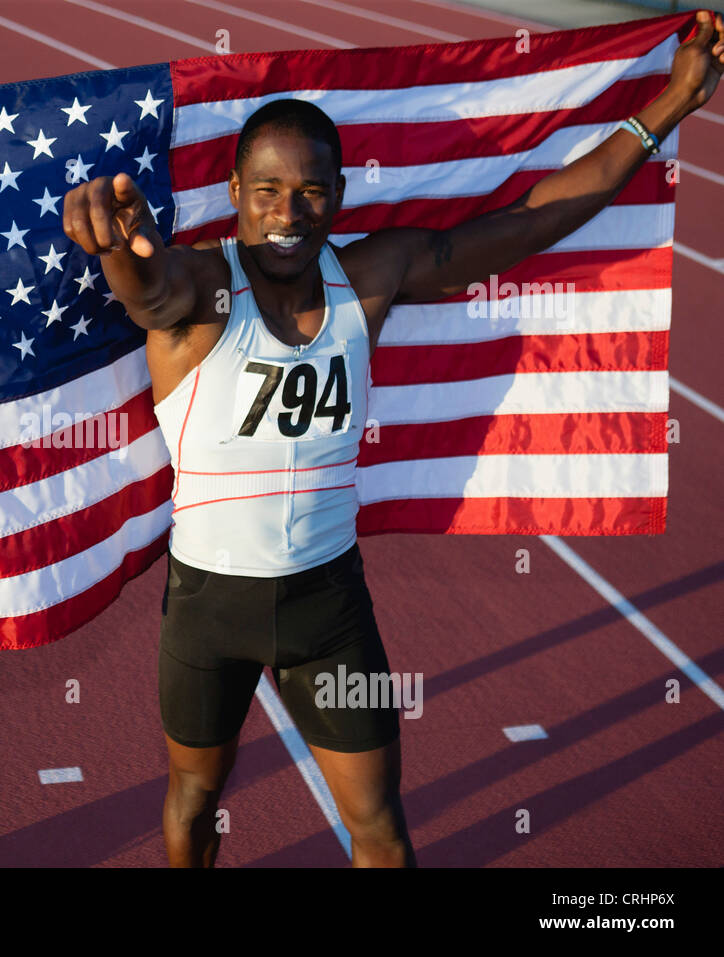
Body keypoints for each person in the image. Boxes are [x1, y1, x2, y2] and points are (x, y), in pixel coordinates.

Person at [64, 11, 723, 867]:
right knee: (195, 796)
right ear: (234, 194)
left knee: (379, 826)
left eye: (310, 193)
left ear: (338, 196)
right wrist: (118, 251)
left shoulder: (371, 275)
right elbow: (149, 293)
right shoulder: (201, 285)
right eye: (266, 191)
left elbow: (527, 224)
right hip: (206, 614)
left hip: (332, 613)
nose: (288, 214)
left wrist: (671, 103)